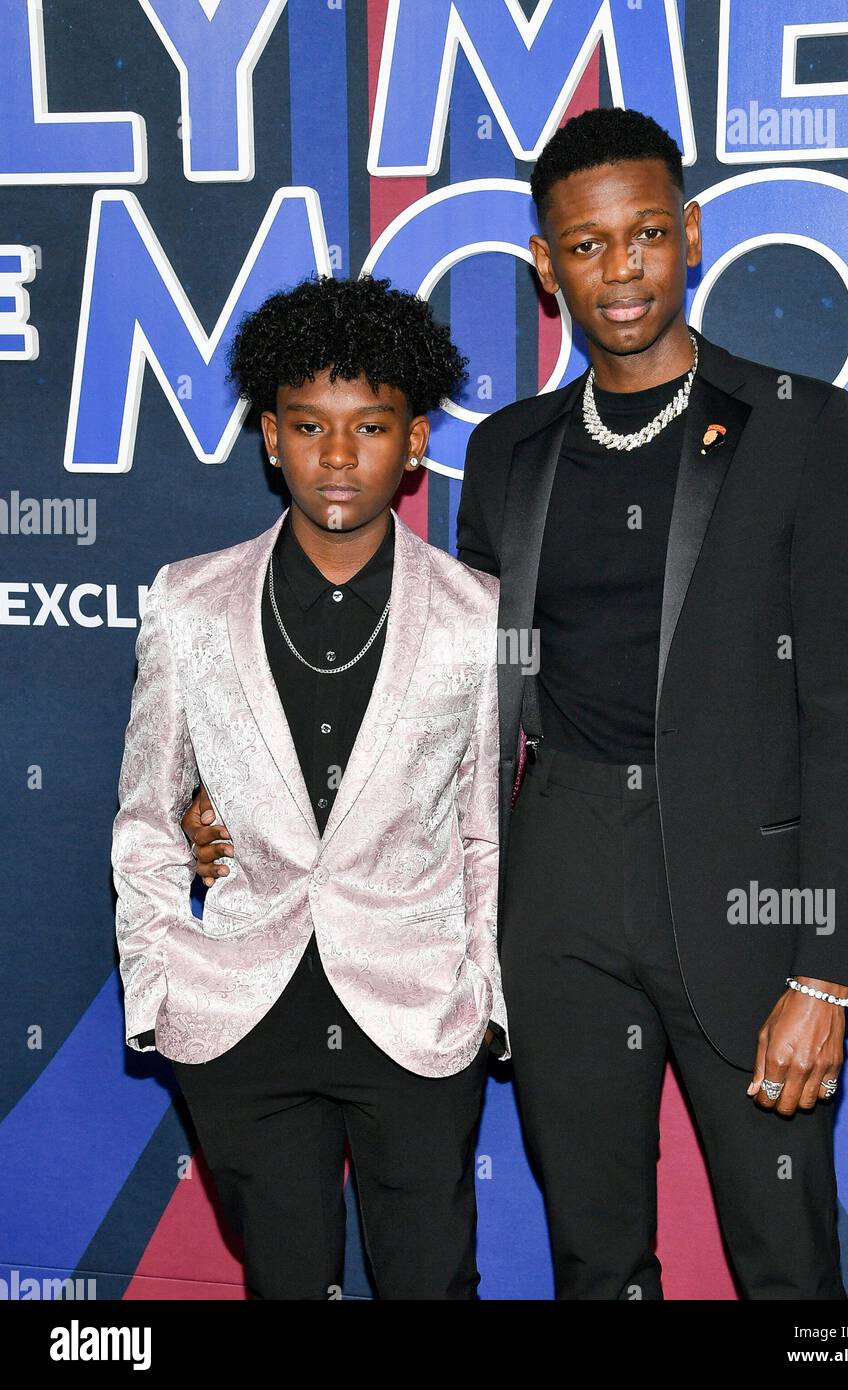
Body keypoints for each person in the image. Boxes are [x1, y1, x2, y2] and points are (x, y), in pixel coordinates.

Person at [185, 108, 848, 1300]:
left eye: (647, 236)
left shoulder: (798, 426)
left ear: (693, 237)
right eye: (587, 245)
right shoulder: (512, 452)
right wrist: (249, 799)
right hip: (555, 882)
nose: (621, 271)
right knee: (595, 1252)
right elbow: (434, 693)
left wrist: (825, 975)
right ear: (545, 264)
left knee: (789, 1262)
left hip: (745, 897)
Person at [112, 273, 508, 1301]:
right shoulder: (188, 602)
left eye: (370, 426)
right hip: (242, 1015)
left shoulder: (477, 615)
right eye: (308, 426)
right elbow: (147, 817)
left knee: (431, 1282)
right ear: (270, 438)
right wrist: (157, 987)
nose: (339, 455)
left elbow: (484, 832)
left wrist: (483, 1002)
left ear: (414, 441)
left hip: (416, 1015)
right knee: (286, 1284)